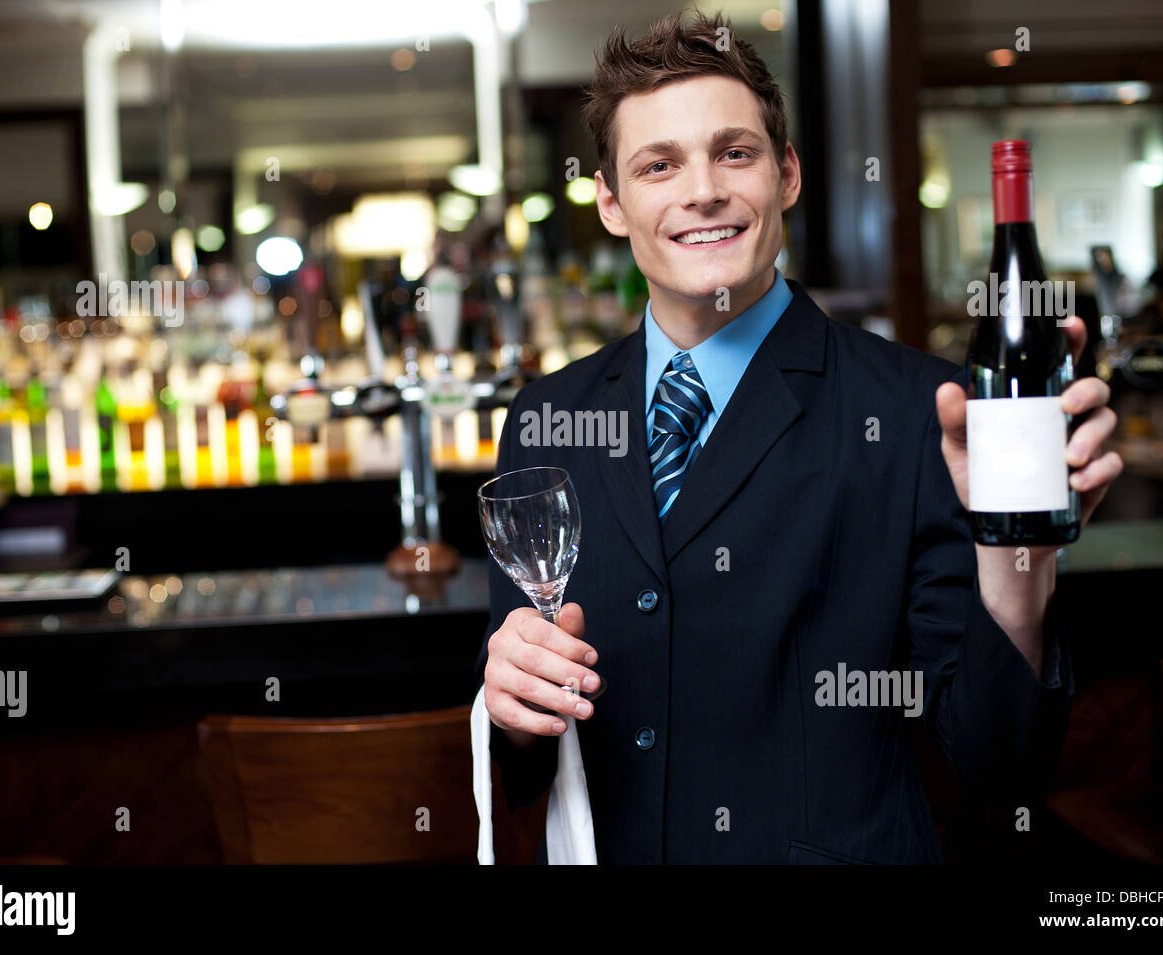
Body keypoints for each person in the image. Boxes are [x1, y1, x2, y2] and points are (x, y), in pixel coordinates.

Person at [473, 8, 1122, 864]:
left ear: (786, 174)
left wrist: (1018, 552)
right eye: (658, 165)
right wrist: (510, 708)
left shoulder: (927, 410)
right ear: (610, 200)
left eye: (733, 153)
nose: (701, 189)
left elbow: (1001, 767)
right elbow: (528, 757)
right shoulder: (544, 420)